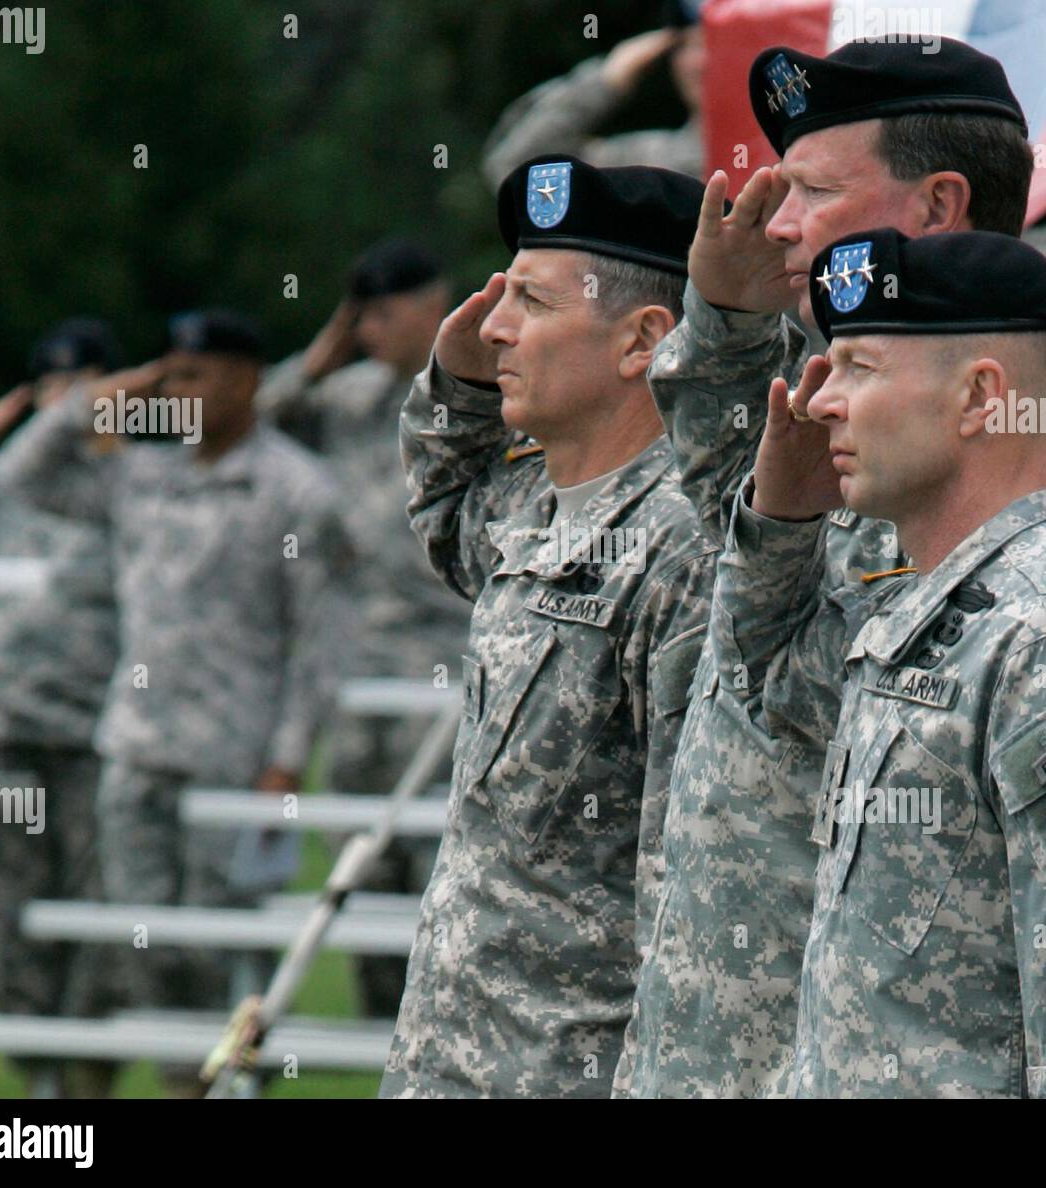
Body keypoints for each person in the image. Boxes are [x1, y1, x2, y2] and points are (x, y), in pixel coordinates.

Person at [618, 38, 1046, 1097]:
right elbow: (762, 623)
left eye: (812, 190)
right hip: (747, 1046)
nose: (778, 222)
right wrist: (725, 326)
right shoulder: (874, 423)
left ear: (937, 206)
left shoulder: (1016, 461)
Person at [718, 226, 1046, 1097]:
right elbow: (770, 694)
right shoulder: (923, 608)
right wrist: (781, 525)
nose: (821, 400)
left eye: (860, 367)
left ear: (982, 396)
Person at [380, 156, 716, 1097]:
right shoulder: (538, 504)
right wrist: (457, 384)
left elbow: (689, 881)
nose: (495, 327)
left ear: (642, 339)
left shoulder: (687, 551)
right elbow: (445, 518)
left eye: (533, 300)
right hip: (450, 1056)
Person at [0, 310, 357, 1096]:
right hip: (134, 749)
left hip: (235, 762)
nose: (180, 391)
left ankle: (229, 1088)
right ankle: (181, 1086)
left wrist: (289, 758)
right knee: (141, 946)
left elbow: (321, 642)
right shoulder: (144, 474)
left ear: (248, 379)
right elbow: (21, 475)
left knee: (227, 952)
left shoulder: (297, 489)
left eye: (197, 375)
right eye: (173, 375)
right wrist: (117, 393)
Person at [257, 239, 470, 1018]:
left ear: (431, 305)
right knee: (357, 841)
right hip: (355, 654)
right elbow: (248, 419)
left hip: (445, 651)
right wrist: (323, 351)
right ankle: (381, 1030)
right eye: (362, 317)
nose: (371, 330)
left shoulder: (472, 389)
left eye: (384, 314)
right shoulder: (344, 401)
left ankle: (440, 1018)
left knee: (436, 847)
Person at [0, 318, 122, 1098]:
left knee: (98, 921)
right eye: (51, 388)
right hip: (10, 731)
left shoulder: (141, 482)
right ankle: (37, 1099)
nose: (68, 403)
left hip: (99, 735)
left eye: (83, 386)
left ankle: (84, 1088)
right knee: (13, 920)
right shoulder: (0, 486)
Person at [481, 3, 706, 188]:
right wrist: (605, 80)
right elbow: (517, 168)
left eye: (717, 43)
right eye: (688, 44)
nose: (700, 62)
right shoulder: (650, 163)